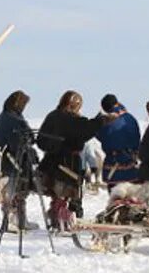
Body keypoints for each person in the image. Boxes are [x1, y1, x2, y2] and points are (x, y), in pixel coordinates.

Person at [37, 91, 114, 229]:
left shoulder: (53, 116)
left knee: (58, 194)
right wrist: (100, 121)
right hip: (67, 162)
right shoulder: (68, 118)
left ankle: (56, 221)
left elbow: (42, 140)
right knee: (65, 194)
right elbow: (82, 130)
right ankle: (62, 222)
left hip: (51, 161)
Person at [0, 90, 38, 231]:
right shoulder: (12, 119)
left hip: (12, 159)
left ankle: (20, 220)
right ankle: (10, 221)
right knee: (11, 190)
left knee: (18, 190)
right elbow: (0, 139)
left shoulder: (7, 116)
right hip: (12, 160)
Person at [95, 94, 141, 190]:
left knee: (115, 199)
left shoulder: (104, 121)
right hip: (130, 163)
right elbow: (136, 137)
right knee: (133, 200)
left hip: (112, 164)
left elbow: (98, 134)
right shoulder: (130, 118)